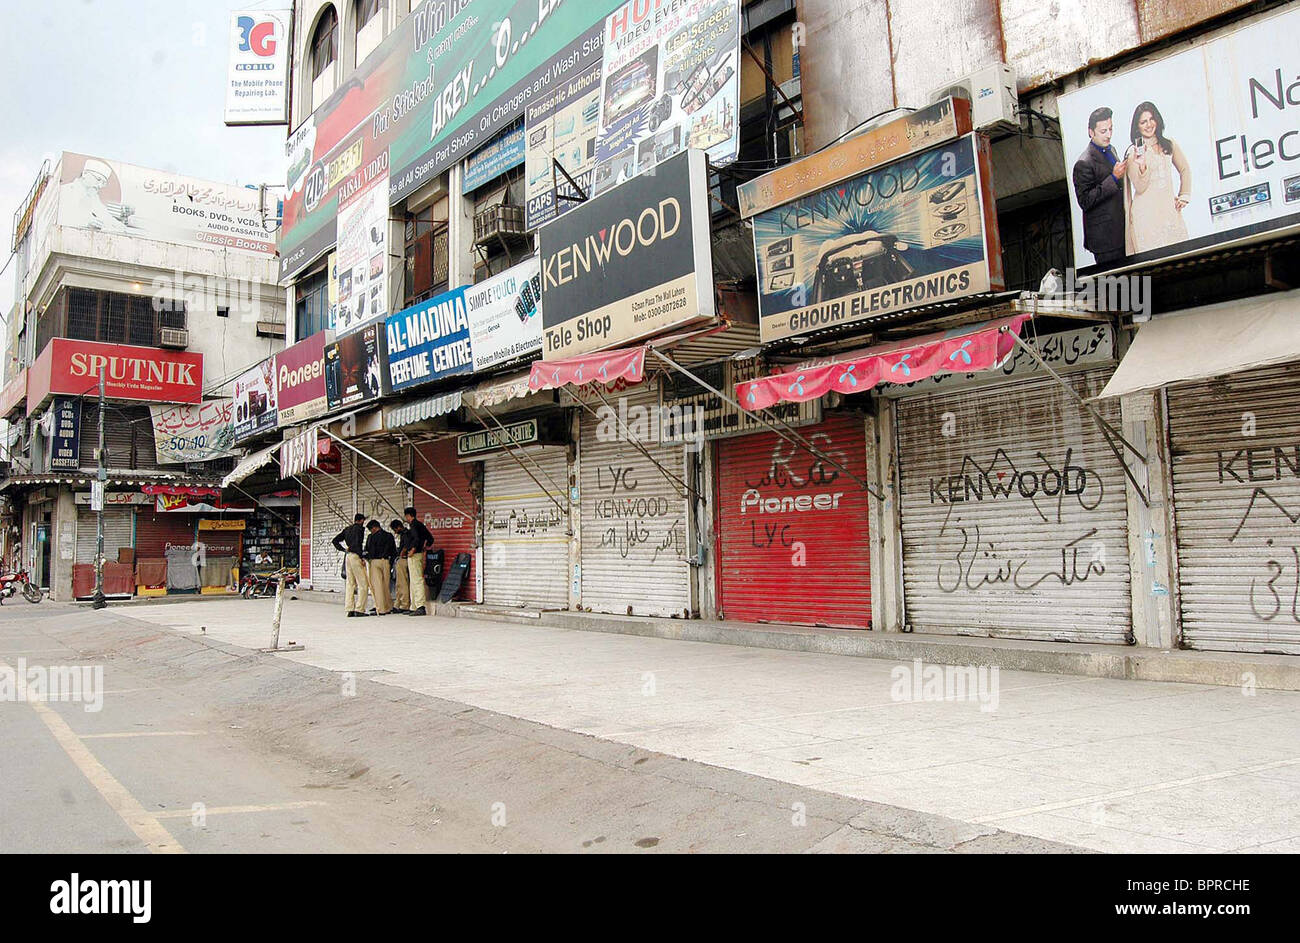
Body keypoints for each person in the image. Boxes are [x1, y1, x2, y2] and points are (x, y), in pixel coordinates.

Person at [1123, 101, 1190, 255]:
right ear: (1137, 126)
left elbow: (1185, 169)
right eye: (1143, 122)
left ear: (1157, 120)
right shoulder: (1133, 152)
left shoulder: (1169, 144)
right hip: (1146, 217)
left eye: (1151, 119)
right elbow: (1140, 187)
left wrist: (1184, 195)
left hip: (1169, 212)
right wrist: (1142, 166)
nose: (1148, 125)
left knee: (1181, 258)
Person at [1072, 106, 1128, 266]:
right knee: (1117, 287)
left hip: (1121, 231)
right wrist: (1113, 177)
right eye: (1103, 131)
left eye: (1111, 129)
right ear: (1091, 132)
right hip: (1105, 240)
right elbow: (1085, 201)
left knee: (1131, 283)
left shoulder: (1111, 149)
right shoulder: (1084, 162)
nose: (1109, 134)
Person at [332, 512, 370, 617]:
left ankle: (349, 609)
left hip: (348, 556)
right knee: (363, 584)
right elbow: (358, 544)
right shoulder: (359, 529)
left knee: (350, 583)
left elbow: (335, 541)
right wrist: (361, 557)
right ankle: (360, 609)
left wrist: (344, 550)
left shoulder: (347, 529)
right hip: (355, 556)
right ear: (361, 520)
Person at [402, 506, 434, 616]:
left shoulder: (414, 525)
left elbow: (416, 538)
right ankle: (414, 606)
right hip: (418, 554)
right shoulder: (420, 525)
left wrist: (413, 549)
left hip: (415, 555)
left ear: (408, 516)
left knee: (417, 580)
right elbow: (430, 538)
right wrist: (425, 547)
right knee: (413, 580)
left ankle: (420, 606)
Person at [362, 519, 396, 616]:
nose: (370, 531)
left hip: (375, 562)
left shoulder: (371, 537)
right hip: (386, 562)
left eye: (371, 529)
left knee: (377, 587)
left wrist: (366, 558)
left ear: (374, 528)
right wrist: (390, 563)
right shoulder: (389, 536)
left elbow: (367, 550)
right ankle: (388, 607)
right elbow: (393, 551)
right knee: (386, 586)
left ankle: (380, 609)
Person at [390, 520, 410, 613]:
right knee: (399, 584)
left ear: (398, 527)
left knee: (402, 584)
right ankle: (398, 604)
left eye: (395, 530)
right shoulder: (405, 534)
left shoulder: (406, 534)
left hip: (403, 560)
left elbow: (406, 546)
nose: (395, 532)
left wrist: (403, 552)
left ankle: (404, 605)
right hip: (402, 560)